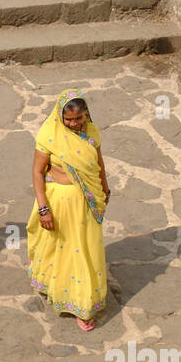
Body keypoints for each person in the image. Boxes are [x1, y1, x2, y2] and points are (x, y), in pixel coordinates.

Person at [27, 90, 112, 330]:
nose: (74, 124)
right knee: (65, 248)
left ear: (85, 115)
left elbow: (98, 163)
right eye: (69, 120)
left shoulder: (91, 133)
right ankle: (74, 299)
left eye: (79, 119)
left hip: (87, 202)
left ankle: (84, 302)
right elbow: (36, 173)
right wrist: (43, 209)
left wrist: (104, 189)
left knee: (85, 249)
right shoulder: (49, 136)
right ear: (60, 116)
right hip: (60, 203)